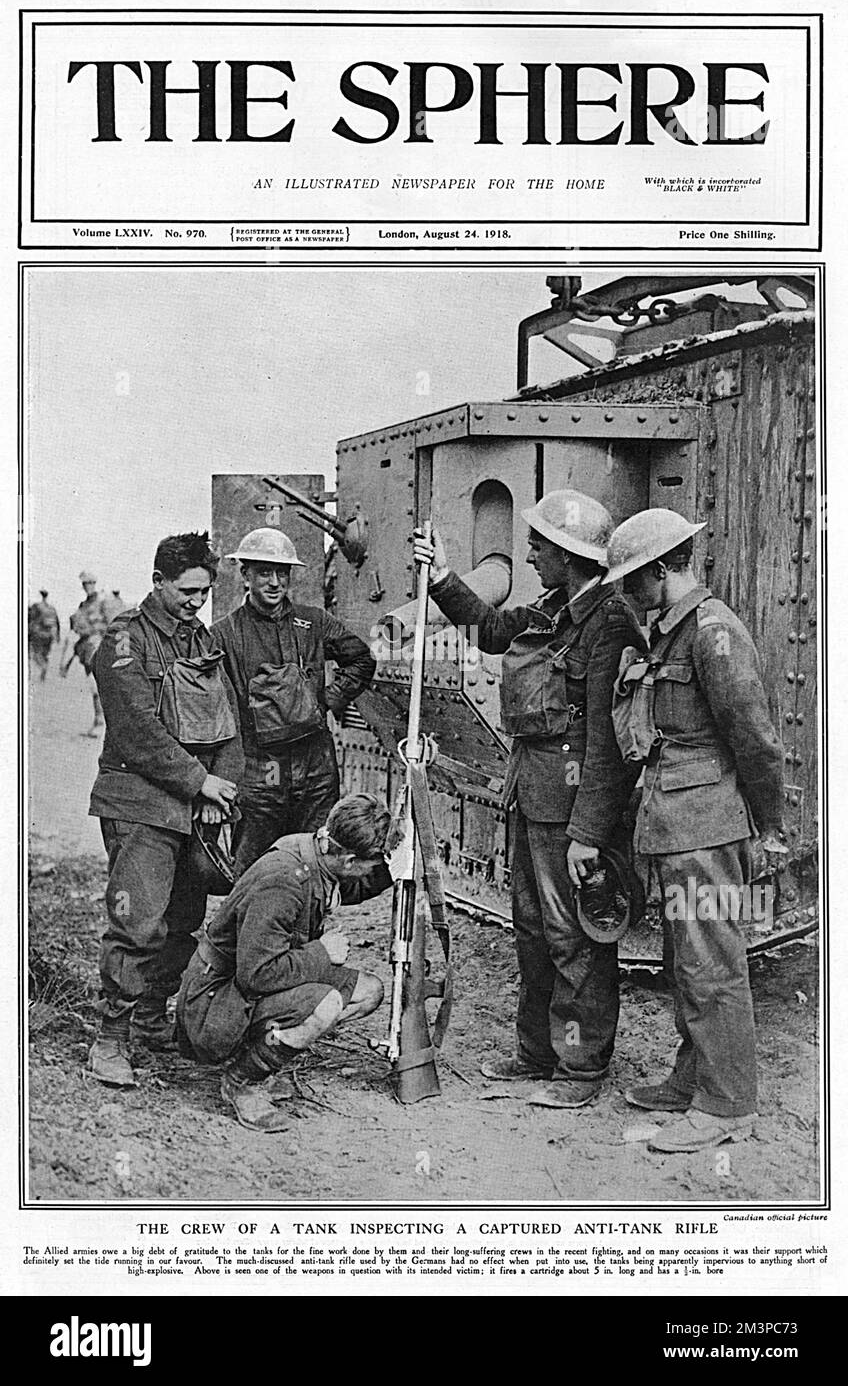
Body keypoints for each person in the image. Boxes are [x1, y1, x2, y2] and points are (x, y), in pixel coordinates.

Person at [415, 491, 646, 1109]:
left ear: (569, 554)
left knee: (574, 937)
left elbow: (608, 744)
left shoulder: (610, 623)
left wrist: (589, 834)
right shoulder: (555, 609)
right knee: (534, 932)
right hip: (534, 797)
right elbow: (491, 630)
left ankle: (578, 1069)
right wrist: (441, 576)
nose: (530, 553)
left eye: (540, 545)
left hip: (572, 812)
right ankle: (536, 1052)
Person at [604, 508, 786, 1152]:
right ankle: (693, 1078)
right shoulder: (671, 633)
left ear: (660, 570)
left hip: (707, 830)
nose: (626, 594)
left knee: (713, 963)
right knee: (687, 960)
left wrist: (769, 830)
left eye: (630, 581)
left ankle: (727, 1104)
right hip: (676, 825)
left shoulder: (712, 634)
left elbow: (757, 742)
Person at [86, 531, 244, 1088]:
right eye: (186, 592)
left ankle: (150, 1017)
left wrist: (222, 790)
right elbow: (135, 732)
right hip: (139, 803)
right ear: (158, 582)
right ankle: (110, 1038)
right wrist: (200, 782)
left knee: (184, 919)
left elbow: (225, 721)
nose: (196, 602)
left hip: (192, 806)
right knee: (139, 923)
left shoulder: (200, 639)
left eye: (203, 592)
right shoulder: (123, 638)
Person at [176, 793, 390, 1132]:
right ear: (349, 861)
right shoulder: (284, 881)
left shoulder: (315, 851)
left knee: (368, 991)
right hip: (214, 1004)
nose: (372, 872)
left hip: (243, 987)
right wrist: (322, 953)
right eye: (373, 865)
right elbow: (256, 975)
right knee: (327, 1004)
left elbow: (352, 888)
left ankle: (264, 1053)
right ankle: (242, 1080)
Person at [212, 527, 376, 878]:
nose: (274, 582)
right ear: (245, 575)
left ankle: (309, 934)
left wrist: (326, 701)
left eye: (281, 573)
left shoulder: (313, 622)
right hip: (260, 775)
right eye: (264, 572)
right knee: (253, 870)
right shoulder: (224, 633)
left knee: (319, 863)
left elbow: (362, 659)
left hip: (316, 770)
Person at [60, 570, 109, 735]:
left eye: (90, 583)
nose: (88, 586)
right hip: (87, 652)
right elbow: (75, 631)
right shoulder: (83, 606)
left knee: (101, 689)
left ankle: (102, 724)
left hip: (101, 650)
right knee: (94, 688)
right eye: (85, 584)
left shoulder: (103, 602)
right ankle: (99, 722)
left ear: (94, 584)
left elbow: (115, 626)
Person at [28, 588, 60, 681]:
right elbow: (57, 622)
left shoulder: (36, 606)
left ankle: (43, 667)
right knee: (45, 655)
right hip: (49, 635)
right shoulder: (51, 608)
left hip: (38, 634)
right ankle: (44, 671)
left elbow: (31, 620)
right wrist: (58, 636)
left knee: (36, 654)